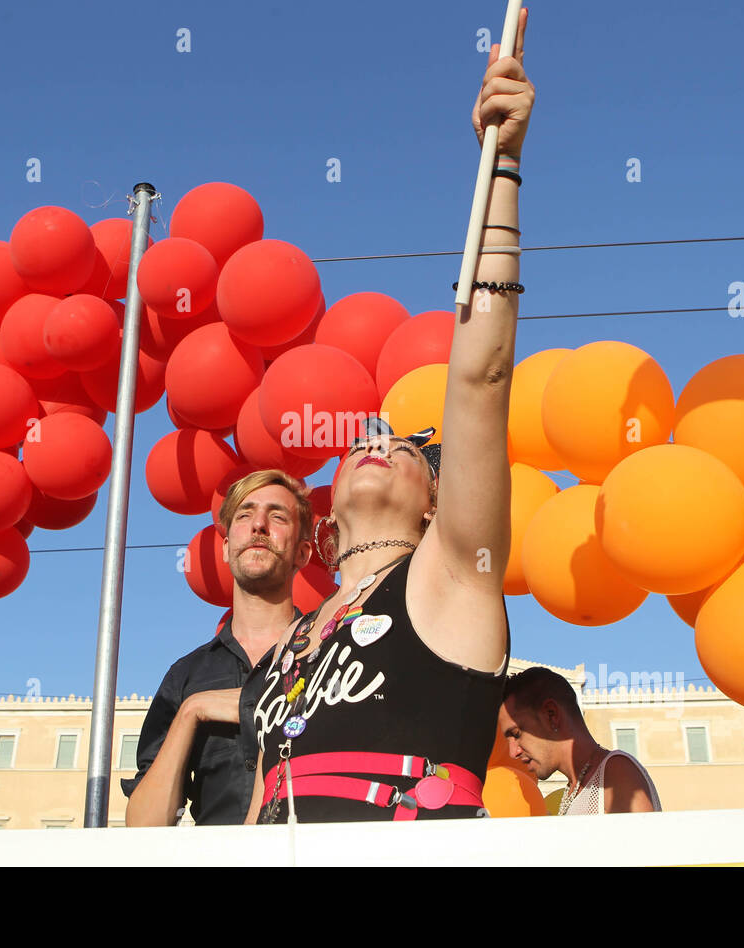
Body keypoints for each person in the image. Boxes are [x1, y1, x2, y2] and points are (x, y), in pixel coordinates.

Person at [245, 14, 533, 825]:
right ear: (326, 513)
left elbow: (480, 376)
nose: (378, 442)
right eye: (365, 442)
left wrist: (503, 162)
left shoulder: (451, 575)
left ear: (440, 503)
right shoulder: (284, 651)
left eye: (408, 447)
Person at [121, 469, 314, 825]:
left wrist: (248, 704)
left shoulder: (332, 653)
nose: (259, 525)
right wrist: (192, 711)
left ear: (303, 552)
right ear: (226, 549)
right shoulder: (186, 676)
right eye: (245, 515)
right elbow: (144, 827)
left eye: (277, 516)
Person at [499, 667, 661, 814]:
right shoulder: (575, 788)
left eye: (517, 733)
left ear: (551, 714)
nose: (514, 752)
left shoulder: (616, 771)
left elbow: (643, 846)